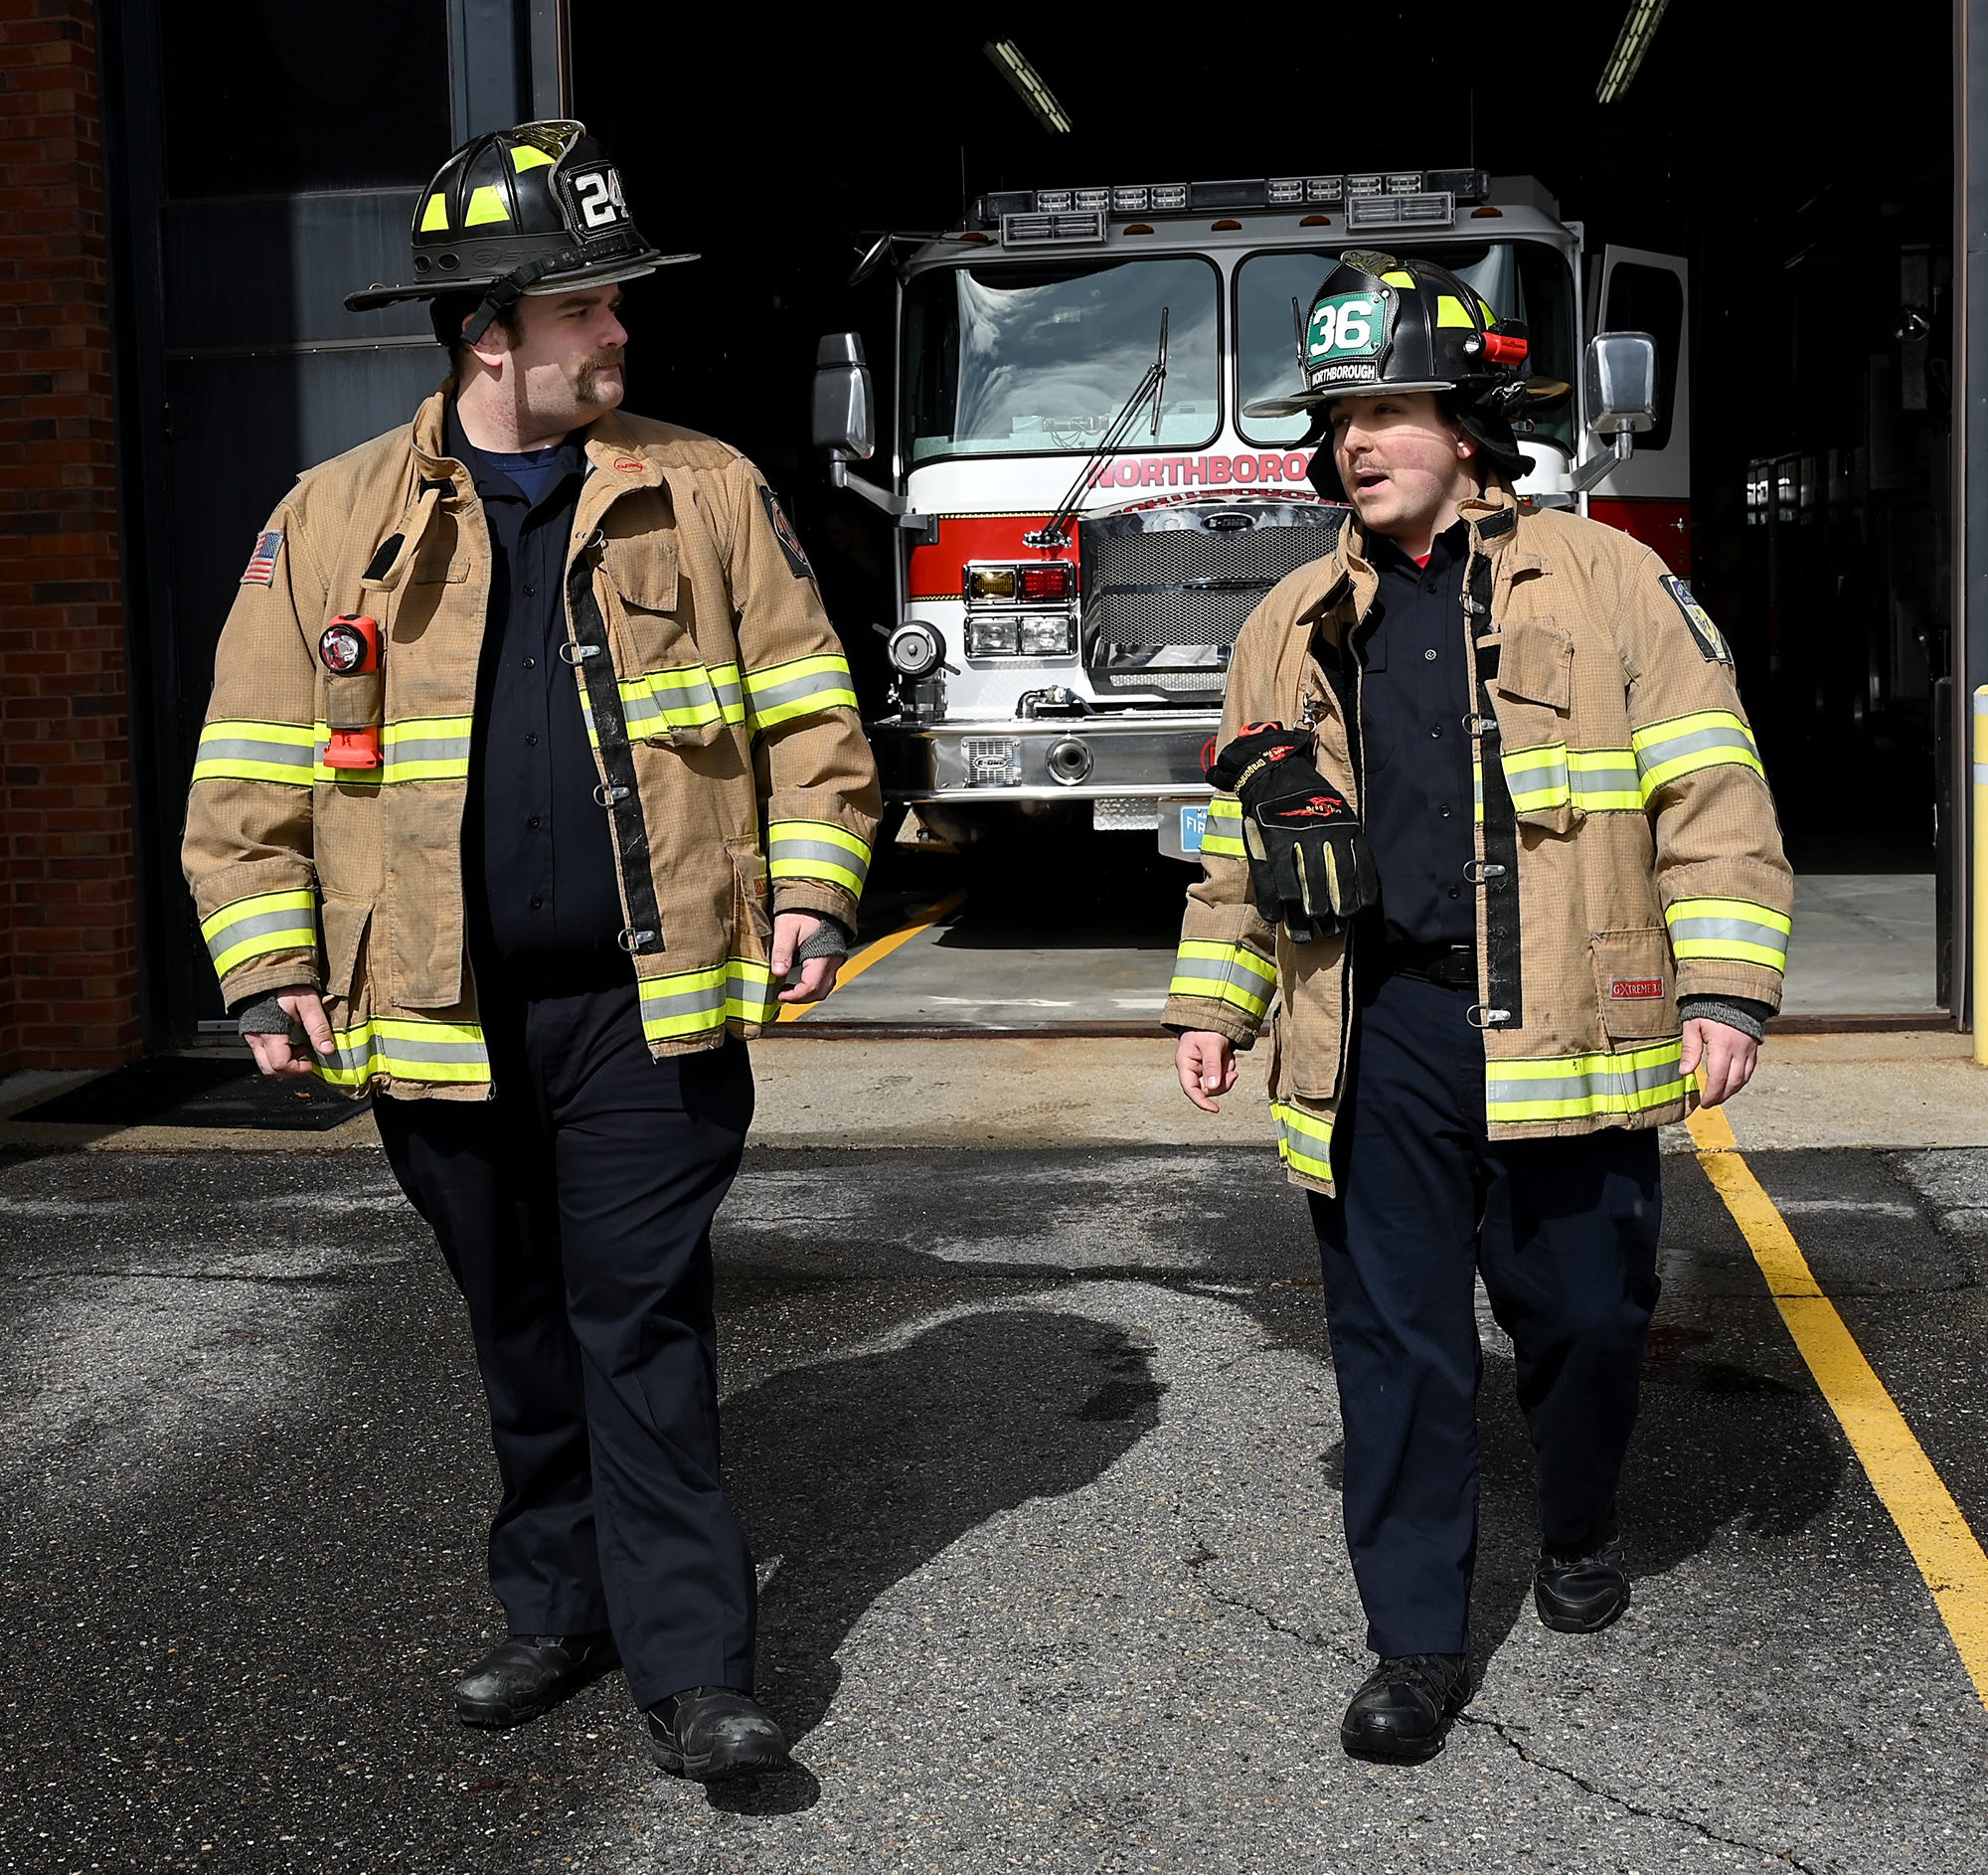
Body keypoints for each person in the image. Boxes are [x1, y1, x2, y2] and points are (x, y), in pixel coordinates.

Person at [182, 120, 881, 1782]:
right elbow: (248, 769)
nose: (618, 331)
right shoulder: (328, 518)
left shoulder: (703, 490)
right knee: (519, 1319)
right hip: (435, 1014)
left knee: (638, 1316)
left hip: (648, 1005)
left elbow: (812, 710)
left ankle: (699, 1666)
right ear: (489, 329)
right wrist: (272, 969)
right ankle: (558, 1605)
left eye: (616, 305)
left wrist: (814, 885)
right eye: (586, 307)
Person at [1165, 251, 1790, 1765]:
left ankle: (1576, 1517)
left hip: (1564, 1028)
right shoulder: (1291, 622)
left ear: (1467, 424)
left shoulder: (1609, 580)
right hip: (1375, 1031)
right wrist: (1219, 998)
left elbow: (1712, 786)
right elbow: (1240, 841)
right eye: (1338, 415)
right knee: (1396, 1346)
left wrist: (1726, 985)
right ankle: (1414, 1643)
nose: (1356, 442)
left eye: (1388, 407)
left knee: (1583, 1314)